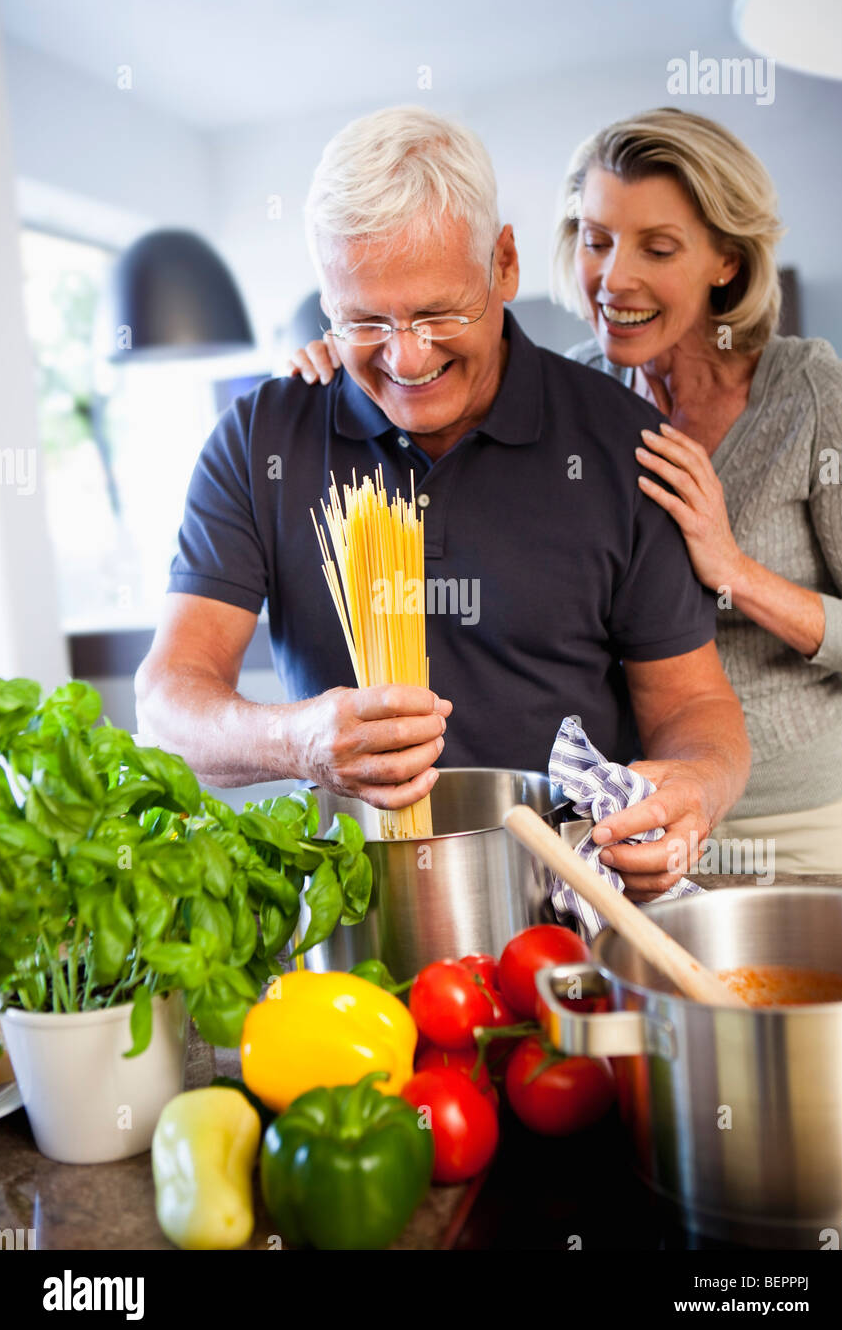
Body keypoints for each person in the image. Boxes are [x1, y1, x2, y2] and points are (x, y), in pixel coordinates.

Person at [135, 105, 750, 901]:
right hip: (353, 916)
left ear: (504, 264)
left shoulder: (621, 442)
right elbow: (165, 706)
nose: (406, 357)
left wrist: (695, 787)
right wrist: (297, 739)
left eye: (436, 313)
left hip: (571, 906)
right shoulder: (262, 442)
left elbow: (697, 705)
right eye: (364, 321)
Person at [550, 108, 842, 876]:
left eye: (657, 248)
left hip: (806, 825)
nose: (614, 277)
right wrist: (339, 355)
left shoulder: (812, 397)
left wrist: (735, 571)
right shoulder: (577, 396)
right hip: (639, 820)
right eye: (596, 240)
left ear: (725, 260)